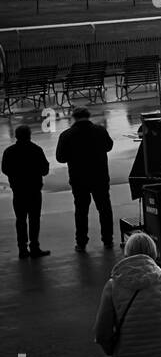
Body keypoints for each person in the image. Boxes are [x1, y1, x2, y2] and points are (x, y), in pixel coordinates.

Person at [55, 106, 115, 252]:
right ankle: (107, 239)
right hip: (99, 176)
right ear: (89, 116)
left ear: (74, 117)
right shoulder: (100, 130)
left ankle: (81, 242)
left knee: (81, 211)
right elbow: (109, 146)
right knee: (104, 208)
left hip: (78, 179)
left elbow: (60, 158)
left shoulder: (66, 135)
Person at [2, 124, 50, 258]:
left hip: (18, 190)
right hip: (34, 190)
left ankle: (22, 248)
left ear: (16, 136)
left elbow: (5, 169)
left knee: (20, 220)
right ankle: (34, 246)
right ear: (29, 135)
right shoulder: (36, 150)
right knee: (34, 219)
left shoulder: (9, 151)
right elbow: (45, 170)